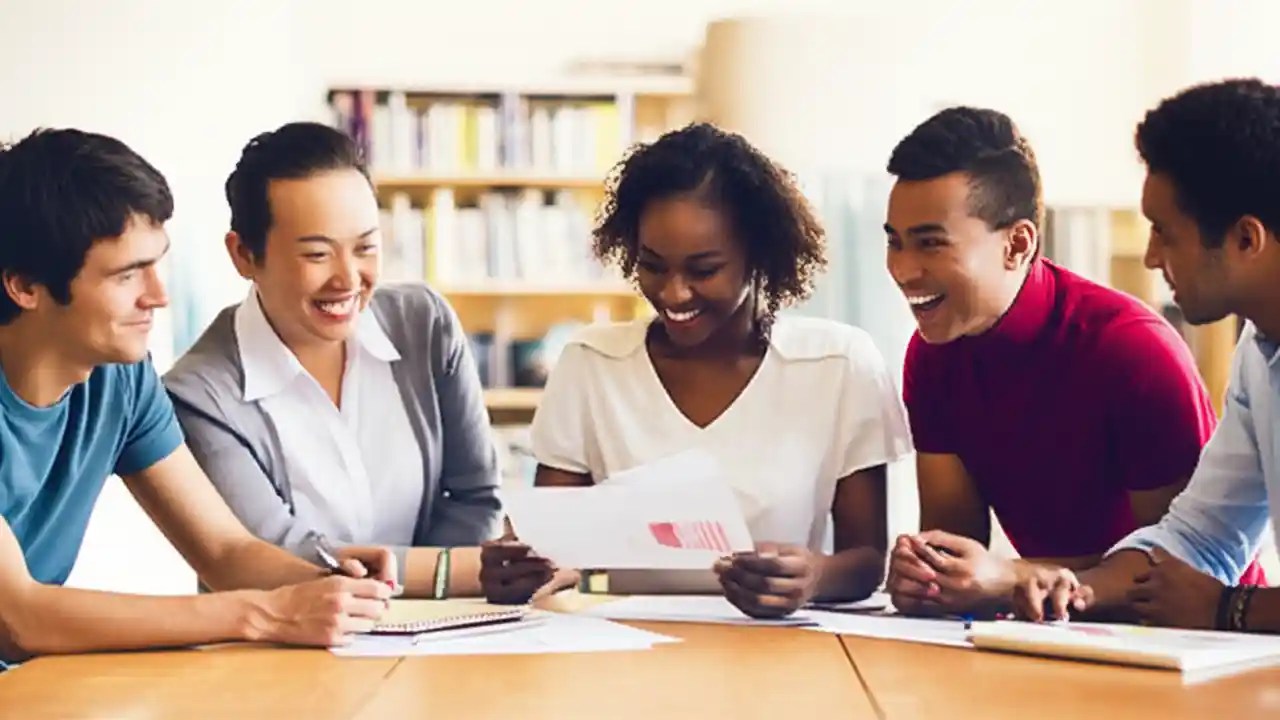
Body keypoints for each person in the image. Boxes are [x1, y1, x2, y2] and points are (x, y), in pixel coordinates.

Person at [0, 128, 397, 665]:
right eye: (126, 275)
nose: (158, 296)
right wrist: (264, 614)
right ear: (25, 286)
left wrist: (333, 584)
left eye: (156, 263)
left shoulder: (121, 379)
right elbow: (20, 617)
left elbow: (225, 551)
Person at [489, 122, 912, 617]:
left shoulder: (839, 365)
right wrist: (517, 569)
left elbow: (866, 563)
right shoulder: (591, 363)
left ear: (759, 255)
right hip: (614, 647)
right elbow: (552, 554)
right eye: (652, 265)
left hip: (777, 647)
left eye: (703, 270)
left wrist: (813, 577)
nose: (673, 293)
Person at [881, 106, 1263, 619]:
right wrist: (930, 578)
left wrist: (1008, 576)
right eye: (894, 241)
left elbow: (1180, 572)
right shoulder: (932, 357)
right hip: (1059, 621)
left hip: (1192, 639)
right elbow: (1193, 536)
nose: (903, 269)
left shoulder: (1132, 351)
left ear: (1018, 244)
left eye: (930, 243)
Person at [164, 122, 557, 605]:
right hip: (282, 653)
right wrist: (466, 573)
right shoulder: (200, 393)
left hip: (444, 634)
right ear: (244, 255)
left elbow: (474, 495)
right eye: (317, 254)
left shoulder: (425, 325)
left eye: (366, 247)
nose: (348, 279)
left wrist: (423, 612)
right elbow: (272, 556)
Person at [1014, 78, 1280, 633]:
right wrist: (1073, 590)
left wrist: (1231, 608)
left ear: (1246, 240)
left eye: (1165, 232)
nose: (1153, 257)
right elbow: (1199, 536)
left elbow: (1211, 589)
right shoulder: (1259, 353)